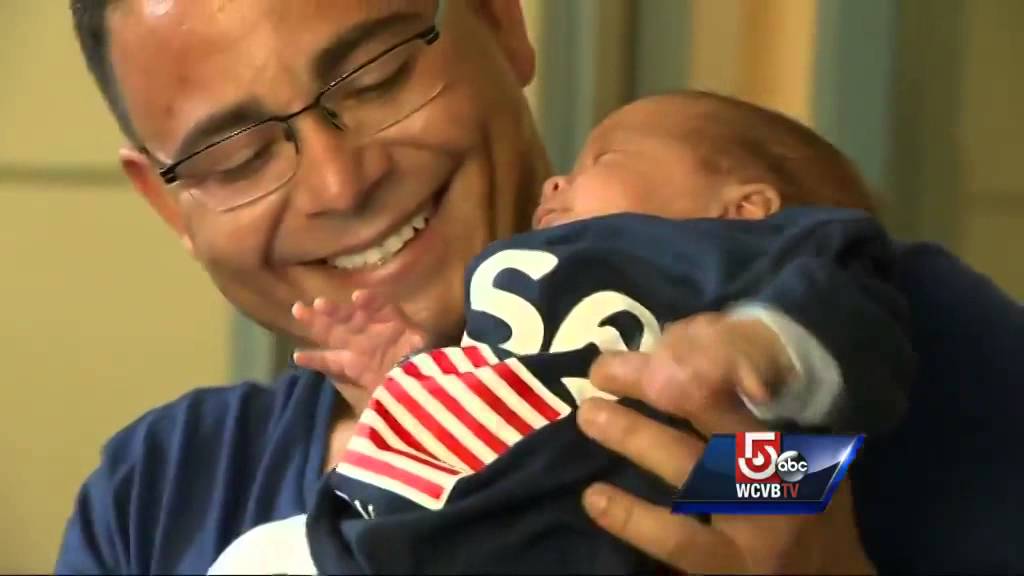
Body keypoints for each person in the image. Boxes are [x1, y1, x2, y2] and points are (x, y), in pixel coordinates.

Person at [58, 0, 1020, 574]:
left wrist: (809, 543)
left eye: (380, 74)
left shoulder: (894, 326)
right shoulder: (160, 493)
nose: (341, 183)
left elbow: (803, 469)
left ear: (499, 21)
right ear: (170, 204)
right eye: (237, 155)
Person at [270, 93, 914, 574]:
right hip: (423, 530)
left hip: (585, 533)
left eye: (601, 159)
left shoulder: (770, 257)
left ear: (744, 209)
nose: (557, 181)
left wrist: (757, 346)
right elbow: (512, 404)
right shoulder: (529, 294)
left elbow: (832, 428)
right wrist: (413, 378)